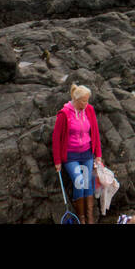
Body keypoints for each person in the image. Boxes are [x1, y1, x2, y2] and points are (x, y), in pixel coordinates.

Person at [52, 83, 103, 224]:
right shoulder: (64, 114)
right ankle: (81, 217)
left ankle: (90, 216)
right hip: (71, 156)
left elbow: (95, 133)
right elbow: (56, 138)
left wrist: (98, 154)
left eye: (87, 100)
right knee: (79, 181)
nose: (86, 104)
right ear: (76, 99)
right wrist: (57, 161)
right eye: (84, 101)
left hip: (87, 153)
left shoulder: (90, 110)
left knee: (88, 182)